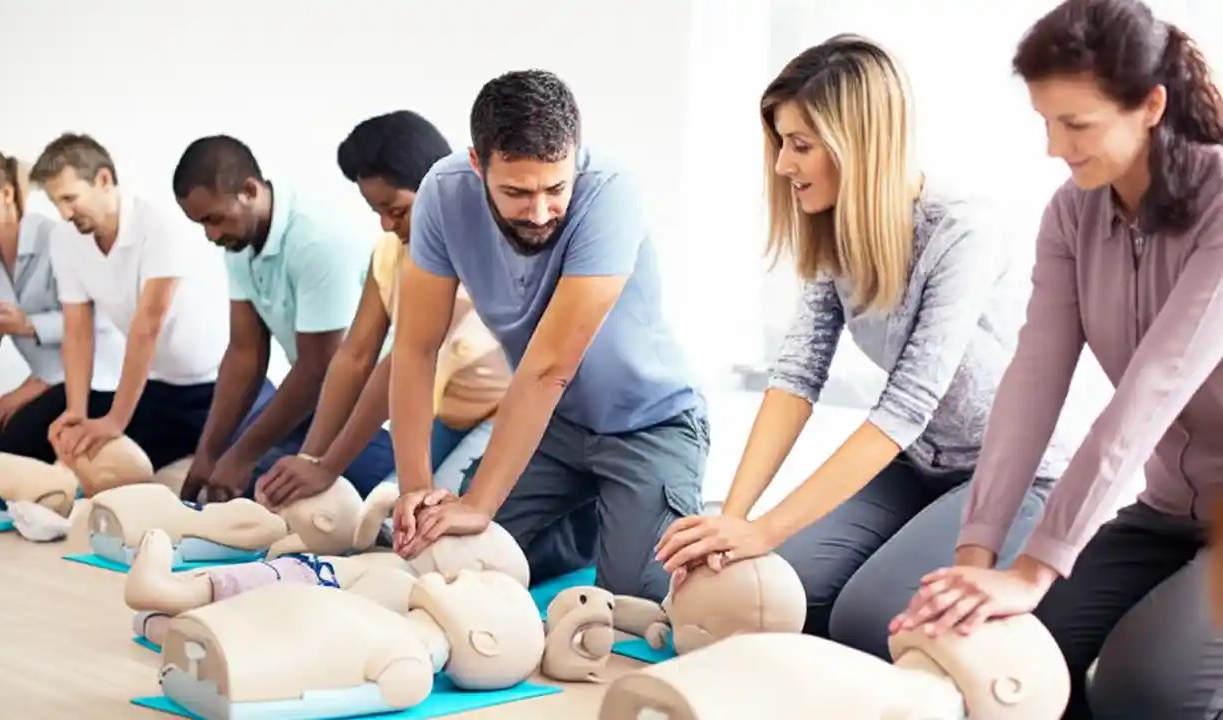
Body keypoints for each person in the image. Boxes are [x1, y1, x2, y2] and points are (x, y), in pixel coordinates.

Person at [653, 33, 1072, 659]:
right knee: (788, 596)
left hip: (1015, 472)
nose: (781, 165)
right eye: (779, 144)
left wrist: (766, 528)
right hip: (919, 465)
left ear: (859, 144)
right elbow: (796, 376)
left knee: (865, 619)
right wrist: (733, 523)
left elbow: (907, 404)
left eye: (799, 145)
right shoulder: (837, 230)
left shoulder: (962, 231)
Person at [889, 1, 1223, 717]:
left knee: (1148, 686)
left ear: (1151, 105)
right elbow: (1031, 384)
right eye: (1046, 121)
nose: (1054, 148)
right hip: (1167, 508)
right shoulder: (1072, 215)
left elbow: (1152, 390)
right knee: (1023, 654)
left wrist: (1037, 567)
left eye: (1076, 124)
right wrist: (975, 559)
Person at [388, 70, 709, 601]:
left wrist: (479, 504)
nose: (539, 212)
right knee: (443, 564)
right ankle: (591, 520)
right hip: (554, 430)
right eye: (516, 192)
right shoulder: (442, 195)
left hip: (649, 424)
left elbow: (550, 367)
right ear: (477, 165)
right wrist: (416, 490)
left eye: (555, 189)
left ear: (575, 159)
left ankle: (618, 517)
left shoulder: (610, 192)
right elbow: (416, 348)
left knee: (636, 597)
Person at [255, 111, 512, 509]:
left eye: (396, 209)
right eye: (377, 211)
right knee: (384, 509)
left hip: (505, 418)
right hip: (451, 420)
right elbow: (354, 356)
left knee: (427, 524)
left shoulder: (472, 252)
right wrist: (311, 458)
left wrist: (329, 466)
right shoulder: (390, 253)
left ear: (438, 189)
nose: (387, 225)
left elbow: (400, 362)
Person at [167, 135, 384, 503]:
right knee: (225, 478)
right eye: (202, 224)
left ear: (250, 190)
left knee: (267, 486)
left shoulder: (316, 239)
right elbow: (244, 353)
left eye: (215, 220)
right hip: (317, 401)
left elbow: (319, 368)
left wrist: (242, 456)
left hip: (372, 411)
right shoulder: (238, 239)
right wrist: (209, 454)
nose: (211, 235)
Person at [30, 132, 231, 471]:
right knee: (98, 470)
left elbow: (148, 325)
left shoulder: (159, 224)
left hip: (217, 388)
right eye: (55, 203)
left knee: (211, 483)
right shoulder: (65, 239)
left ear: (104, 180)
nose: (63, 213)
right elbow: (77, 330)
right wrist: (76, 411)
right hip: (156, 385)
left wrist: (115, 420)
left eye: (70, 198)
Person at [0, 148, 124, 462]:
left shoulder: (57, 238)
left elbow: (95, 321)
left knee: (10, 442)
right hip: (47, 379)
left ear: (4, 193)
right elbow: (0, 329)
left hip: (95, 378)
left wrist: (29, 337)